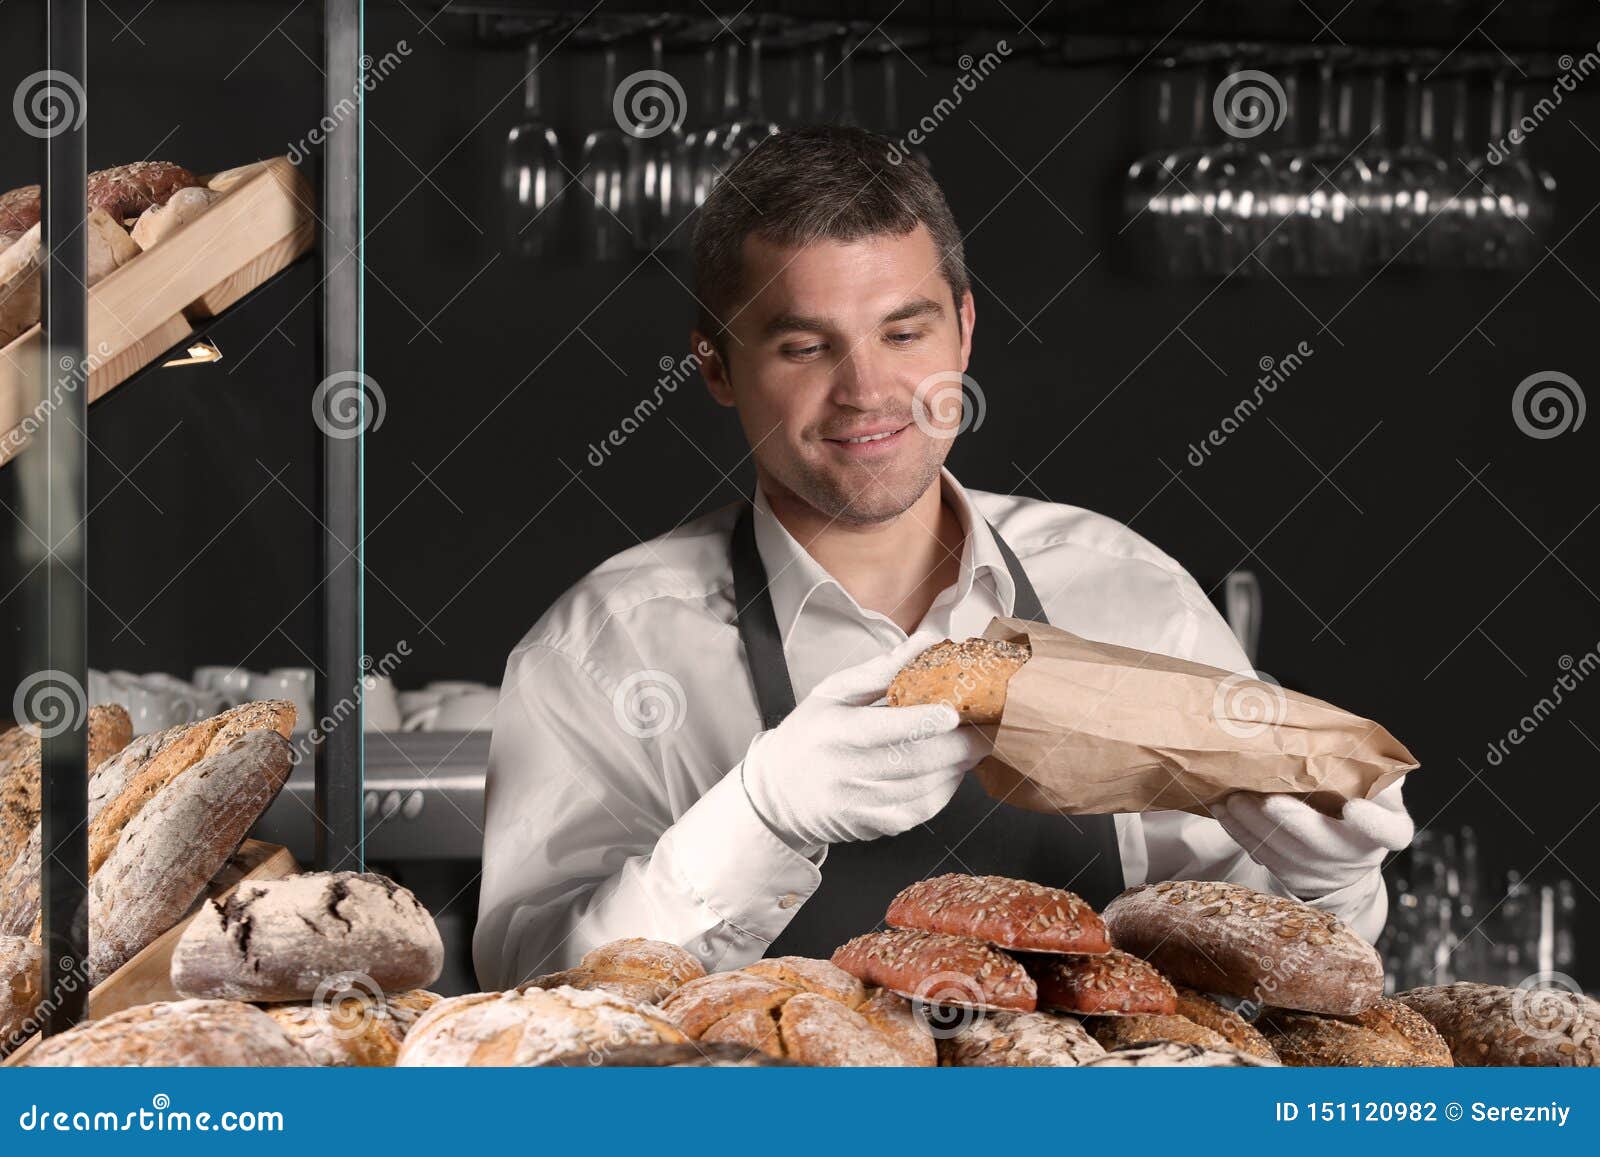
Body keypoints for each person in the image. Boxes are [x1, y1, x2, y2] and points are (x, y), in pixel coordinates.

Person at [472, 126, 1412, 991]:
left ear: (963, 329)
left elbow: (1265, 975)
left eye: (905, 331)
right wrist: (757, 819)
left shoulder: (1130, 591)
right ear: (717, 366)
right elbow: (533, 1004)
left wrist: (1334, 890)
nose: (868, 391)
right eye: (805, 345)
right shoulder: (602, 652)